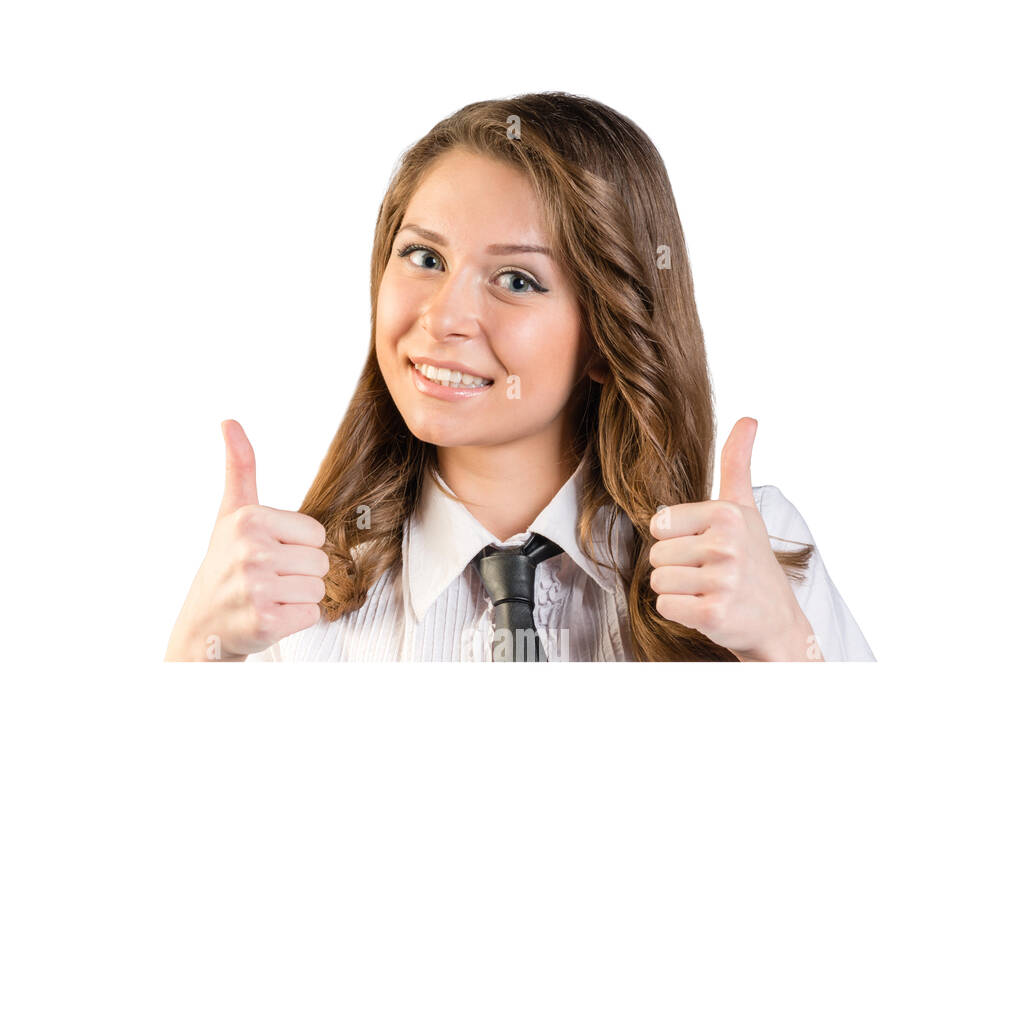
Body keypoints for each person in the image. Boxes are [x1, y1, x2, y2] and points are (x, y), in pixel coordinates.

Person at [164, 93, 874, 663]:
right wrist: (197, 650)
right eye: (424, 258)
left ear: (609, 333)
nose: (445, 318)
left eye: (516, 279)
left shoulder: (747, 549)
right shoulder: (285, 590)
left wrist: (786, 650)